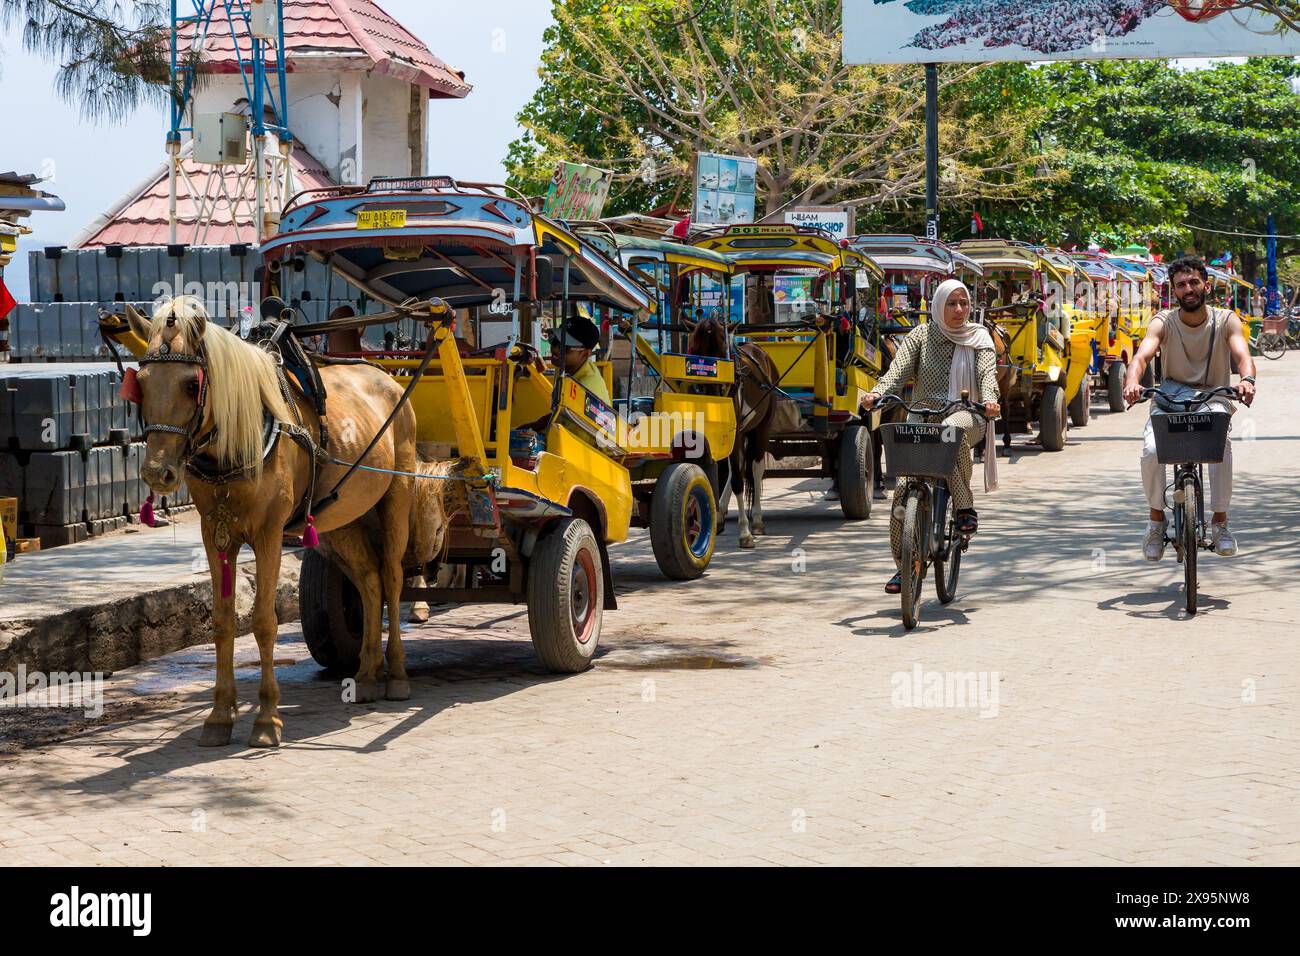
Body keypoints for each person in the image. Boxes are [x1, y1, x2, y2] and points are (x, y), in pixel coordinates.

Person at [862, 278, 1001, 595]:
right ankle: (904, 566)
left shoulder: (978, 338)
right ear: (938, 305)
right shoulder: (921, 335)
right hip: (923, 414)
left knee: (952, 431)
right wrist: (877, 393)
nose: (959, 310)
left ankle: (963, 509)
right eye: (951, 303)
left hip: (968, 414)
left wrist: (990, 400)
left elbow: (987, 376)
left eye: (964, 303)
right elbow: (897, 372)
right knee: (902, 487)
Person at [1124, 255, 1256, 559]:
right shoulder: (1163, 321)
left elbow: (1243, 356)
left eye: (1194, 282)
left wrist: (1247, 380)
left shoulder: (1226, 319)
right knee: (1152, 452)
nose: (1188, 288)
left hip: (1213, 399)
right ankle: (1157, 521)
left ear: (1206, 285)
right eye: (1181, 284)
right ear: (1174, 291)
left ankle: (1220, 522)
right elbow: (1141, 357)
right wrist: (1132, 381)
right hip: (1169, 400)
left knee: (1220, 444)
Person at [554, 312, 610, 404]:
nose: (555, 349)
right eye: (554, 341)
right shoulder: (564, 366)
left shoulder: (587, 388)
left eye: (565, 347)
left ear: (585, 354)